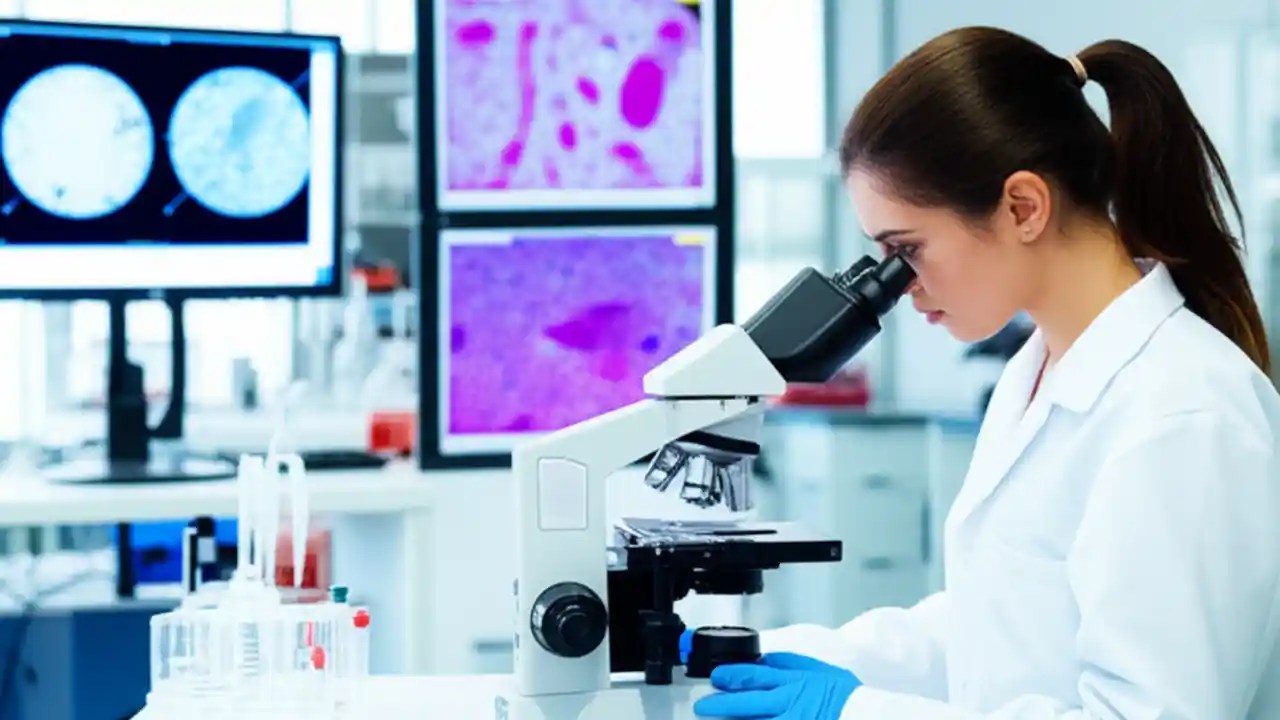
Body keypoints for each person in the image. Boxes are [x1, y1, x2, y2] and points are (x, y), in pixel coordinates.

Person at [692, 26, 1280, 720]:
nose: (901, 286)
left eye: (908, 250)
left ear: (1023, 207)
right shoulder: (1039, 374)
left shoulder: (1183, 413)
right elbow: (995, 628)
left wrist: (854, 711)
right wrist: (772, 655)